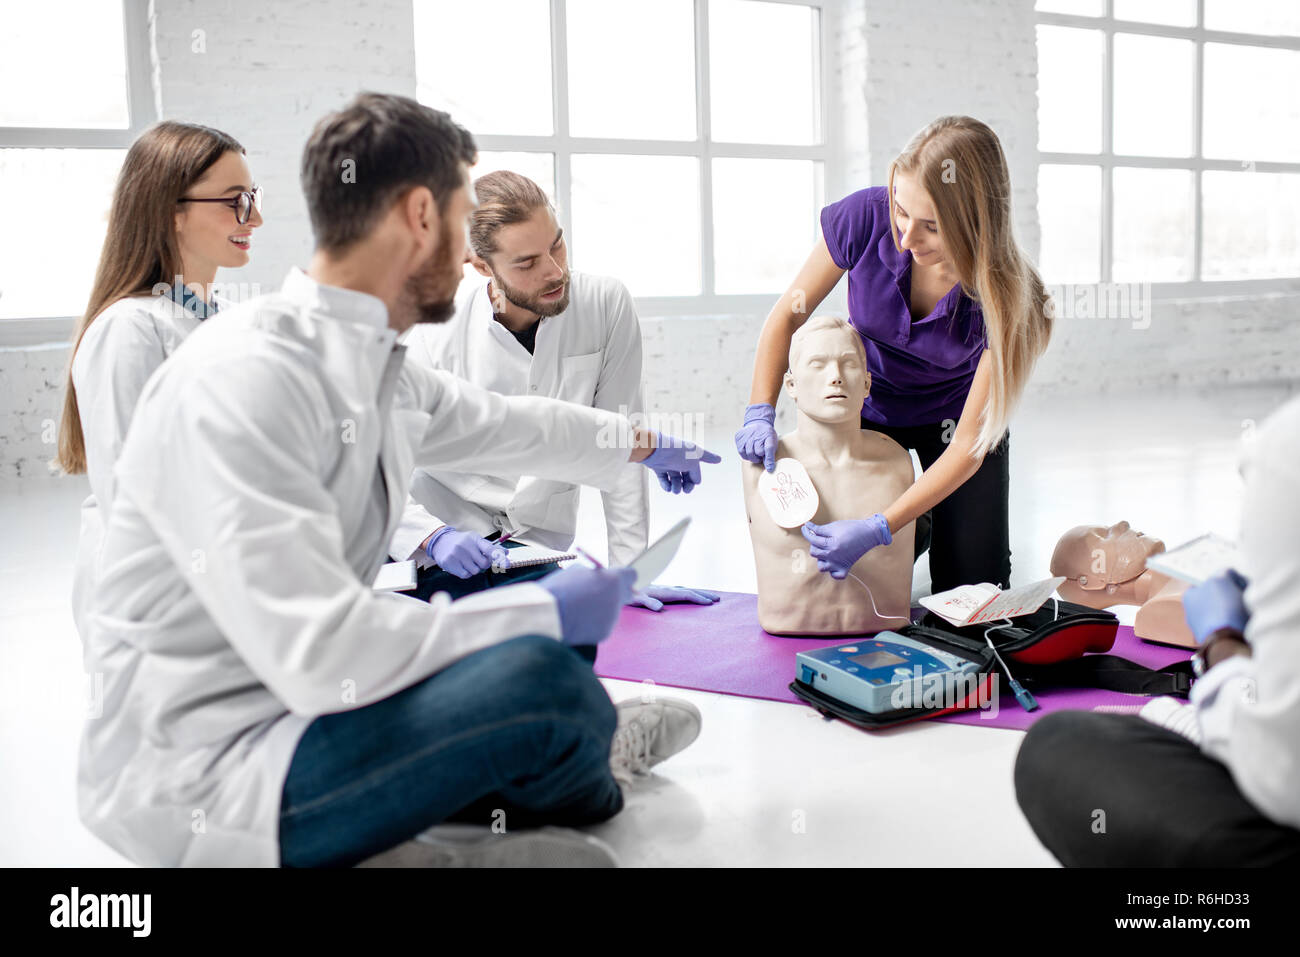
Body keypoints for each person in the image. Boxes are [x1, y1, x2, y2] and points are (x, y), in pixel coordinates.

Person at [77, 93, 720, 869]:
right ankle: (507, 813)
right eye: (459, 226)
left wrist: (641, 444)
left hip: (301, 709)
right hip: (215, 766)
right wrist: (536, 610)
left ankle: (471, 808)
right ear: (421, 215)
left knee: (547, 678)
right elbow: (322, 653)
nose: (467, 254)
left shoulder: (371, 360)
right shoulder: (246, 376)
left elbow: (512, 422)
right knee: (542, 680)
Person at [735, 116, 1052, 595]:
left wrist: (880, 526)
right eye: (901, 211)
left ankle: (911, 519)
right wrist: (760, 408)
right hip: (871, 408)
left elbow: (968, 445)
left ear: (975, 224)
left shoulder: (1014, 301)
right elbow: (787, 316)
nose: (905, 238)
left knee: (973, 589)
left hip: (957, 421)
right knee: (842, 566)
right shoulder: (865, 217)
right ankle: (914, 523)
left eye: (931, 227)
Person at [391, 169, 719, 613]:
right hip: (442, 541)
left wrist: (632, 571)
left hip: (536, 548)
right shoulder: (433, 333)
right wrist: (431, 536)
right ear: (482, 266)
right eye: (526, 262)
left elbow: (617, 436)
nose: (554, 271)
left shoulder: (605, 304)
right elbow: (377, 467)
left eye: (557, 244)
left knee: (566, 630)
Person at [1014, 396, 1300, 866]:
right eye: (1103, 534)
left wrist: (1222, 646)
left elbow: (1279, 769)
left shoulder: (1282, 454)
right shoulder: (1159, 611)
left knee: (1055, 748)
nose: (1123, 524)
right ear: (1092, 583)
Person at [56, 121, 262, 638]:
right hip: (161, 605)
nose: (255, 217)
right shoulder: (129, 330)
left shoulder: (223, 315)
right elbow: (135, 500)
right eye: (236, 201)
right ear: (171, 211)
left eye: (254, 197)